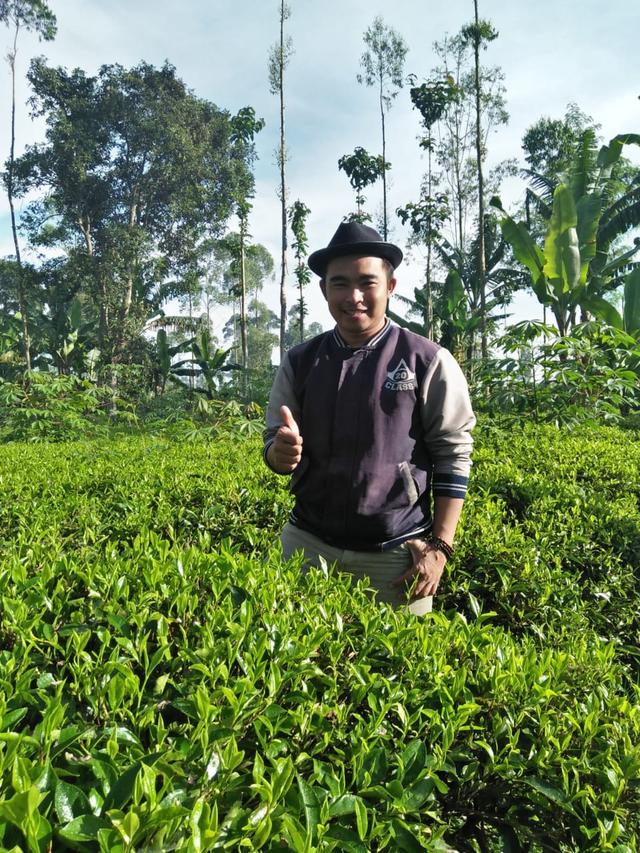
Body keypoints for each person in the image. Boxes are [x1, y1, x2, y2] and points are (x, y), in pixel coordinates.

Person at [263, 221, 475, 614]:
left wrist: (440, 547)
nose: (354, 296)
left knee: (401, 669)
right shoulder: (301, 361)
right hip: (306, 545)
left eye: (367, 282)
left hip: (396, 555)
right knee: (291, 664)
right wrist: (281, 452)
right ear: (325, 289)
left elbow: (453, 455)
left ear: (390, 286)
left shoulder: (427, 360)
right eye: (340, 283)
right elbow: (274, 448)